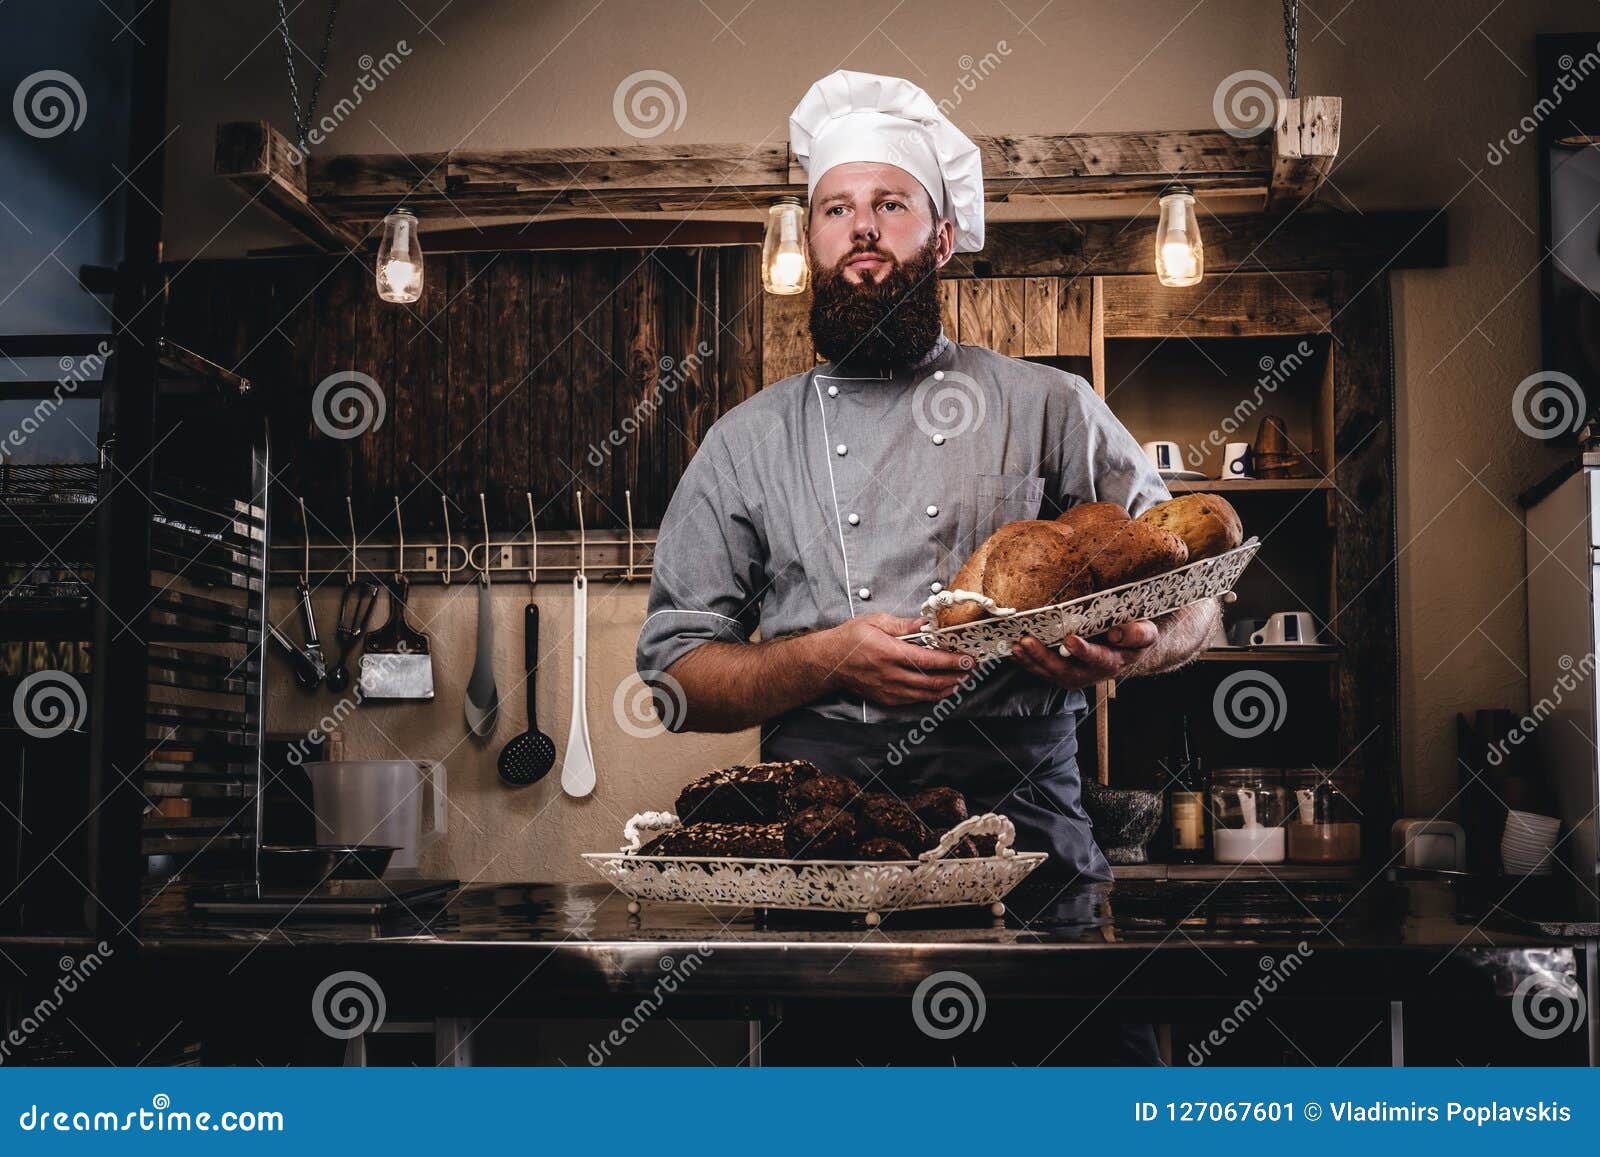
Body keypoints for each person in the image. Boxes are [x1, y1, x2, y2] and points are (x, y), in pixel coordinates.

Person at [635, 69, 1216, 885]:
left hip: (1027, 829)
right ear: (813, 242)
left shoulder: (1051, 406)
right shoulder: (745, 442)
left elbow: (1197, 598)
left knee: (1064, 1017)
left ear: (941, 239)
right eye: (837, 209)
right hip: (822, 839)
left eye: (891, 205)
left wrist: (1137, 653)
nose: (862, 229)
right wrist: (826, 659)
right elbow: (673, 681)